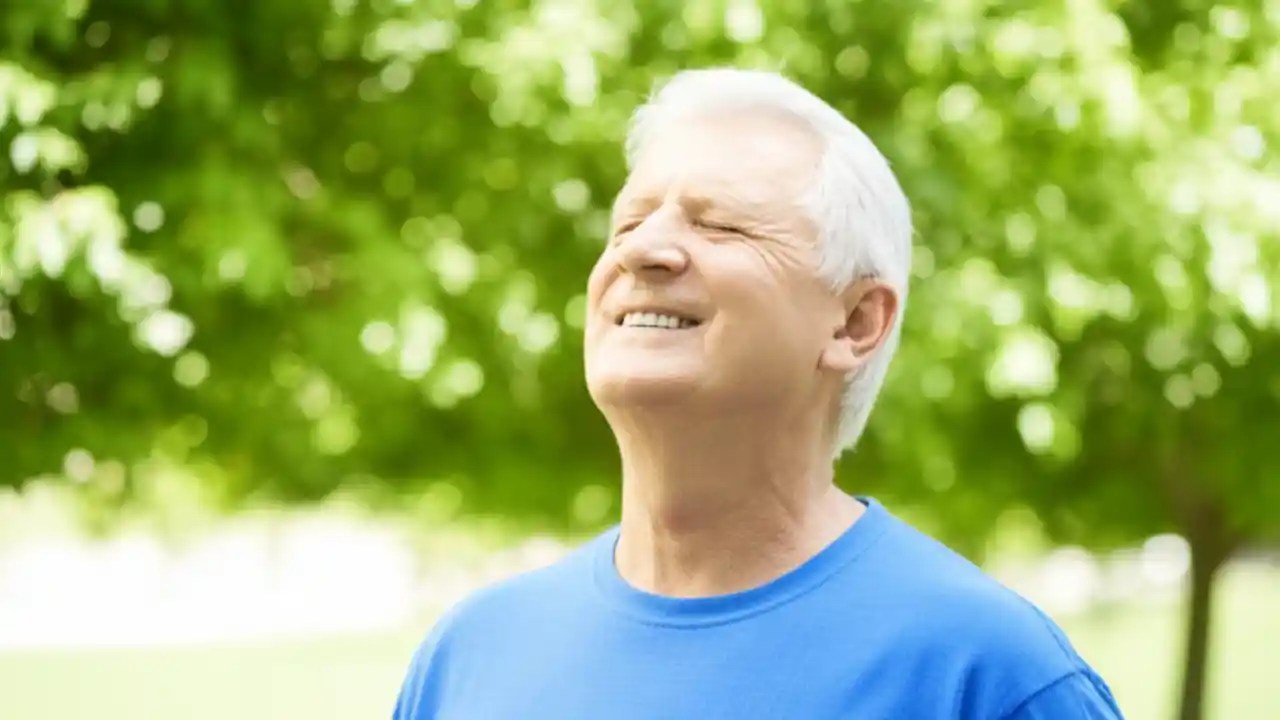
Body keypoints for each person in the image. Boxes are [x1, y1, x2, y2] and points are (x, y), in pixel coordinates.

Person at [393, 68, 1123, 719]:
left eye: (722, 224)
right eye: (629, 221)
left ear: (856, 321)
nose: (642, 249)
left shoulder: (987, 676)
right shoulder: (468, 658)